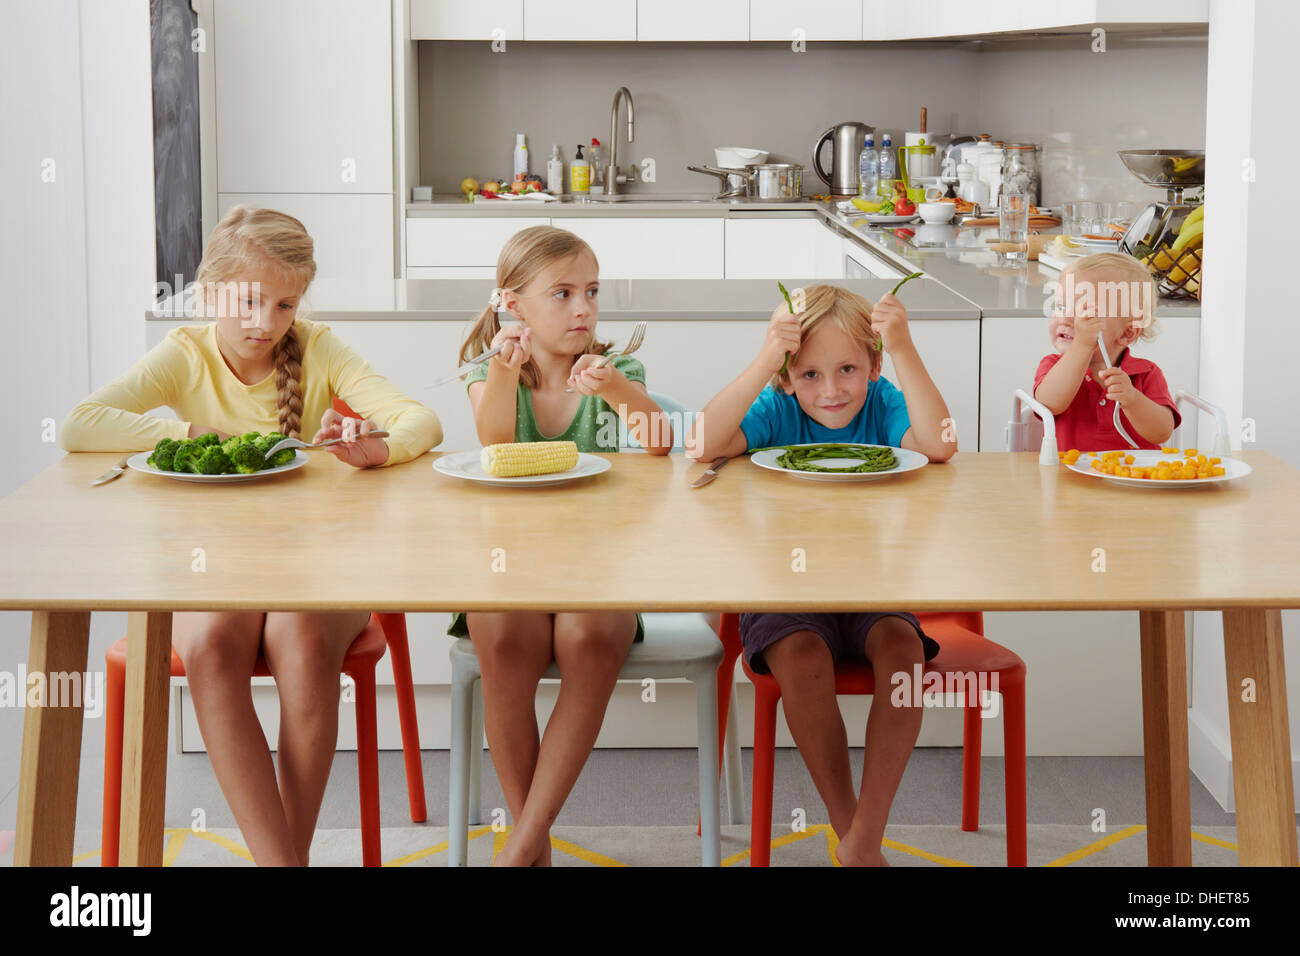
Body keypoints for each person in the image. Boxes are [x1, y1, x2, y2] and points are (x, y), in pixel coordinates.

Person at [60, 205, 441, 865]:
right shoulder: (185, 357)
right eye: (249, 302)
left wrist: (375, 448)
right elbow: (81, 425)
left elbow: (421, 420)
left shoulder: (319, 350)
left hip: (317, 566)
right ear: (210, 293)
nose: (266, 323)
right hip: (217, 567)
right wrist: (185, 433)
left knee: (298, 634)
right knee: (209, 642)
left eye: (285, 305)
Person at [688, 283, 955, 866]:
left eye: (847, 370)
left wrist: (905, 349)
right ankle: (849, 832)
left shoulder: (885, 402)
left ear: (874, 367)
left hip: (872, 584)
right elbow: (701, 444)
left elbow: (939, 445)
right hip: (785, 588)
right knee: (803, 659)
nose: (831, 391)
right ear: (787, 378)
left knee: (903, 649)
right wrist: (765, 359)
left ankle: (865, 835)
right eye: (809, 374)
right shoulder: (779, 408)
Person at [453, 224, 671, 866]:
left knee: (587, 637)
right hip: (507, 565)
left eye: (592, 292)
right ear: (513, 304)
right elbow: (494, 443)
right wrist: (501, 366)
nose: (584, 309)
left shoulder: (616, 369)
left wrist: (619, 391)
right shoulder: (487, 369)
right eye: (563, 293)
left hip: (597, 567)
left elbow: (659, 439)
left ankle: (520, 847)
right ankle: (535, 848)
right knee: (505, 640)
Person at [1034, 251, 1179, 451]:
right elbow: (1049, 404)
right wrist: (1083, 344)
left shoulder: (1146, 374)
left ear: (1127, 333)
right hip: (1067, 479)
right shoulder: (1052, 366)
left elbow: (1162, 433)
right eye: (1060, 306)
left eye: (1085, 312)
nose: (1066, 319)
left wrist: (1131, 399)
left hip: (1134, 477)